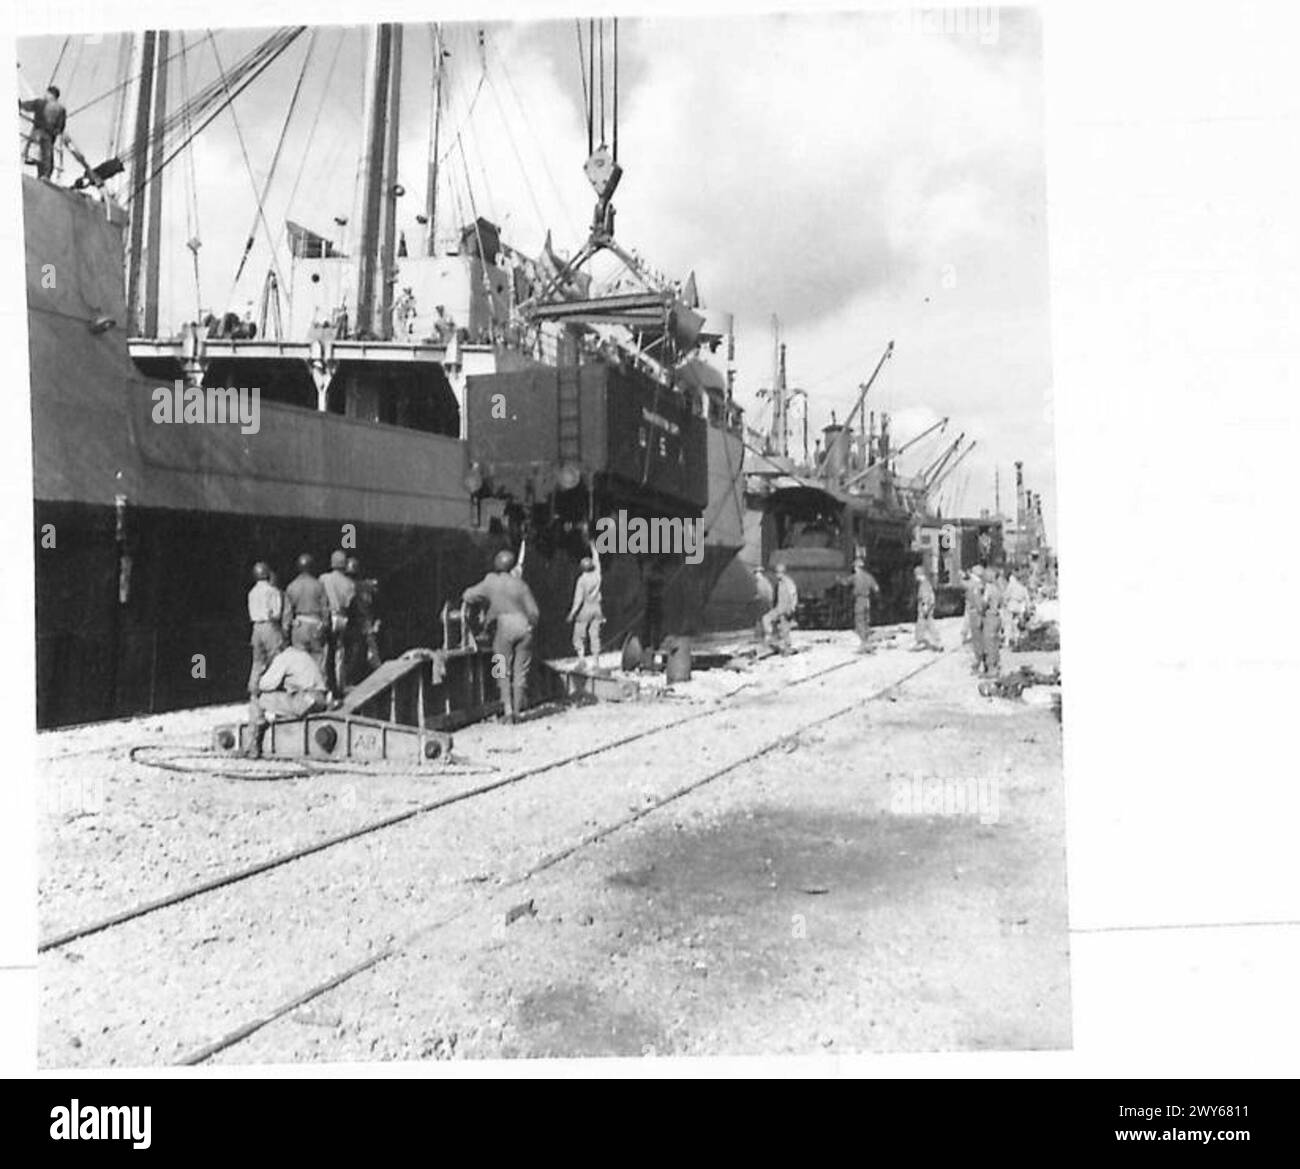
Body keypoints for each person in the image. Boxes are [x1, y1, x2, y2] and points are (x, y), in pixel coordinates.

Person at [463, 549, 540, 724]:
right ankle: (519, 714)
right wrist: (529, 625)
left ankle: (507, 711)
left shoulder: (491, 581)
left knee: (501, 668)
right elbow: (534, 612)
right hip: (524, 626)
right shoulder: (521, 585)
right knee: (521, 672)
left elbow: (468, 595)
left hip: (503, 628)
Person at [245, 644, 328, 758]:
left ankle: (252, 745)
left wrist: (258, 679)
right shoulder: (303, 655)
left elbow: (265, 685)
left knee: (259, 698)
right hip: (320, 699)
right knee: (286, 700)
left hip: (304, 701)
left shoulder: (283, 658)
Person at [282, 553, 329, 678]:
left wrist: (286, 631)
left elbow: (287, 613)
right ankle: (319, 691)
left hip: (299, 627)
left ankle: (303, 692)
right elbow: (325, 608)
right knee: (318, 659)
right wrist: (325, 625)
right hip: (315, 625)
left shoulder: (291, 586)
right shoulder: (318, 585)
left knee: (300, 661)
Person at [319, 549, 356, 699]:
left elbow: (320, 599)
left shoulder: (324, 578)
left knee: (325, 653)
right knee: (339, 654)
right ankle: (339, 687)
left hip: (329, 617)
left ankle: (325, 687)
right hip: (342, 618)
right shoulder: (350, 584)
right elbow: (349, 604)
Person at [246, 561, 284, 698]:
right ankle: (274, 692)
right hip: (269, 626)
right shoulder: (272, 591)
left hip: (256, 628)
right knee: (276, 660)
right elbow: (277, 613)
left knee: (257, 661)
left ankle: (253, 689)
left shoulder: (252, 593)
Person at [567, 547, 604, 668]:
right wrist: (594, 549)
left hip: (585, 609)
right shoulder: (597, 575)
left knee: (579, 635)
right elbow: (597, 561)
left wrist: (572, 614)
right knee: (595, 635)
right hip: (597, 608)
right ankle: (596, 661)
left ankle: (581, 659)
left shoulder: (582, 580)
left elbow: (578, 600)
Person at [20, 86, 67, 180]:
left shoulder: (39, 103)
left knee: (35, 157)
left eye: (47, 93)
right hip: (49, 138)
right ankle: (44, 177)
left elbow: (25, 106)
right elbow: (60, 128)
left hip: (37, 134)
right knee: (47, 163)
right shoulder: (61, 109)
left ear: (50, 94)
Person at [346, 556, 382, 677]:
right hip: (356, 623)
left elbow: (376, 605)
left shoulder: (365, 586)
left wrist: (376, 621)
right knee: (355, 653)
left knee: (369, 653)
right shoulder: (361, 586)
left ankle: (377, 677)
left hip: (364, 623)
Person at [842, 556, 881, 653]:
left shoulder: (855, 577)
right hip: (867, 601)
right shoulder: (869, 577)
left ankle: (863, 643)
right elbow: (876, 588)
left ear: (856, 567)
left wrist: (838, 579)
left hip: (859, 600)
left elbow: (845, 582)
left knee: (859, 621)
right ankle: (867, 641)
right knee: (866, 621)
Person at [761, 561, 799, 653]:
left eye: (779, 572)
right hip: (779, 608)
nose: (777, 574)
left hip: (785, 609)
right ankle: (769, 639)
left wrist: (792, 608)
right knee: (766, 618)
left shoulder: (789, 582)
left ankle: (787, 647)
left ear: (783, 572)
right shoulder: (779, 583)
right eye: (776, 572)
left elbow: (793, 595)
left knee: (784, 629)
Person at [978, 564, 1007, 677]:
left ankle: (991, 669)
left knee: (989, 644)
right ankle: (996, 665)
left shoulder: (989, 588)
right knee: (995, 643)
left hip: (989, 617)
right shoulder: (998, 588)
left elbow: (985, 602)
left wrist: (980, 609)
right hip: (997, 617)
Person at [912, 565, 944, 651]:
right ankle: (928, 642)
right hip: (927, 609)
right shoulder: (926, 583)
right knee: (923, 625)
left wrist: (925, 609)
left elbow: (925, 598)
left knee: (928, 625)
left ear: (919, 575)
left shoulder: (924, 585)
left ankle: (935, 643)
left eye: (916, 575)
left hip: (924, 610)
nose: (915, 577)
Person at [1002, 569, 1032, 650]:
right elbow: (1027, 600)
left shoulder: (1012, 585)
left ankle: (1007, 641)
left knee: (1008, 624)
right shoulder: (1024, 588)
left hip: (1011, 605)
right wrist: (1028, 609)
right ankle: (1016, 640)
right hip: (1019, 607)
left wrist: (1004, 603)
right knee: (1017, 625)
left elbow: (1006, 596)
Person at [752, 566, 774, 640]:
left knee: (763, 619)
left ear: (761, 574)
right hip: (762, 603)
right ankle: (759, 635)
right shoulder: (761, 582)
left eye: (757, 573)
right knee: (760, 619)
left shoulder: (763, 582)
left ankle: (766, 635)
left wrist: (758, 597)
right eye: (755, 574)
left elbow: (767, 593)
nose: (756, 575)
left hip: (765, 603)